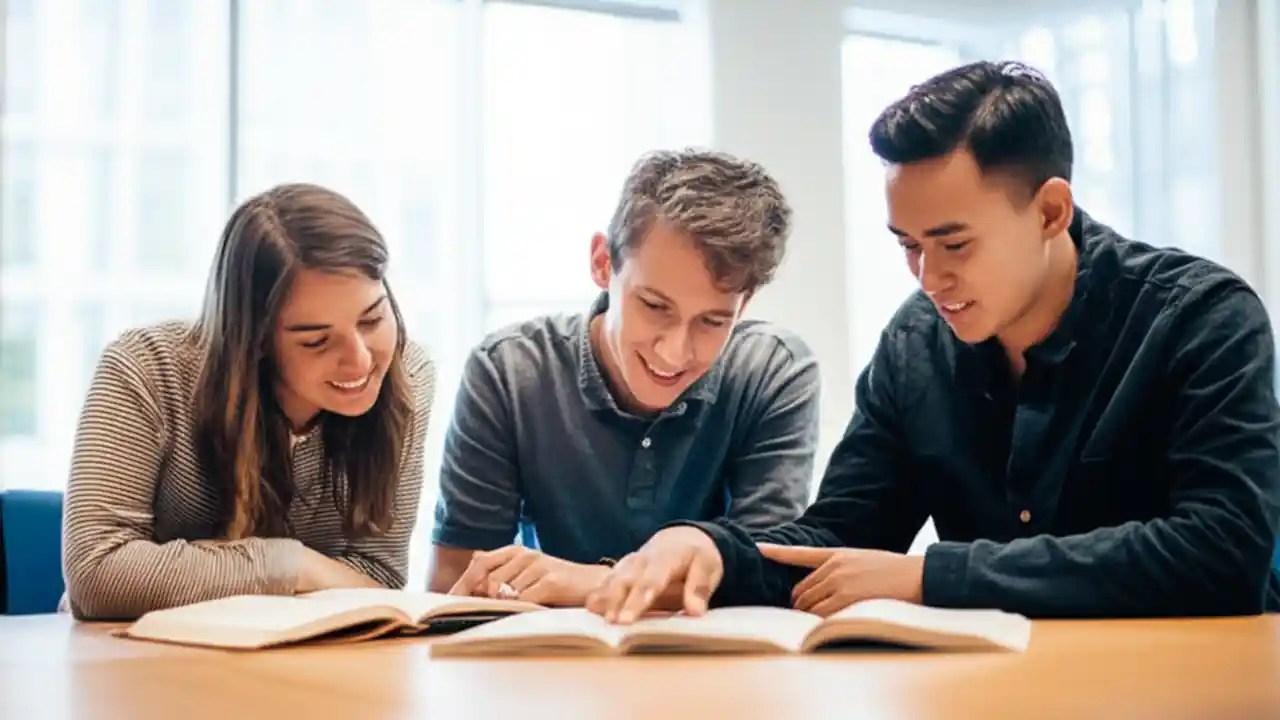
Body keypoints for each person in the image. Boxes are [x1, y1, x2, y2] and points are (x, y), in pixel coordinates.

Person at [587, 61, 1280, 623]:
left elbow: (1222, 552)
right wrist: (708, 545)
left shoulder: (1199, 318)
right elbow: (840, 538)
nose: (930, 277)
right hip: (993, 690)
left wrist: (936, 577)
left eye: (954, 244)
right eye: (909, 245)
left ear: (1049, 211)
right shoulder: (917, 342)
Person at [431, 149, 821, 606]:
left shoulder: (774, 372)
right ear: (602, 262)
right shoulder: (508, 372)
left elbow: (768, 576)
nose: (675, 351)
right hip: (545, 664)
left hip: (717, 669)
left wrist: (587, 583)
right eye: (655, 306)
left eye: (712, 321)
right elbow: (456, 587)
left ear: (745, 304)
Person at [62, 183, 435, 620]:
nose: (360, 360)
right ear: (253, 340)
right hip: (137, 662)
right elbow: (98, 573)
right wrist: (292, 565)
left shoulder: (406, 376)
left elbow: (379, 578)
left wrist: (204, 566)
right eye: (316, 341)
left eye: (373, 318)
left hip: (314, 664)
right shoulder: (148, 370)